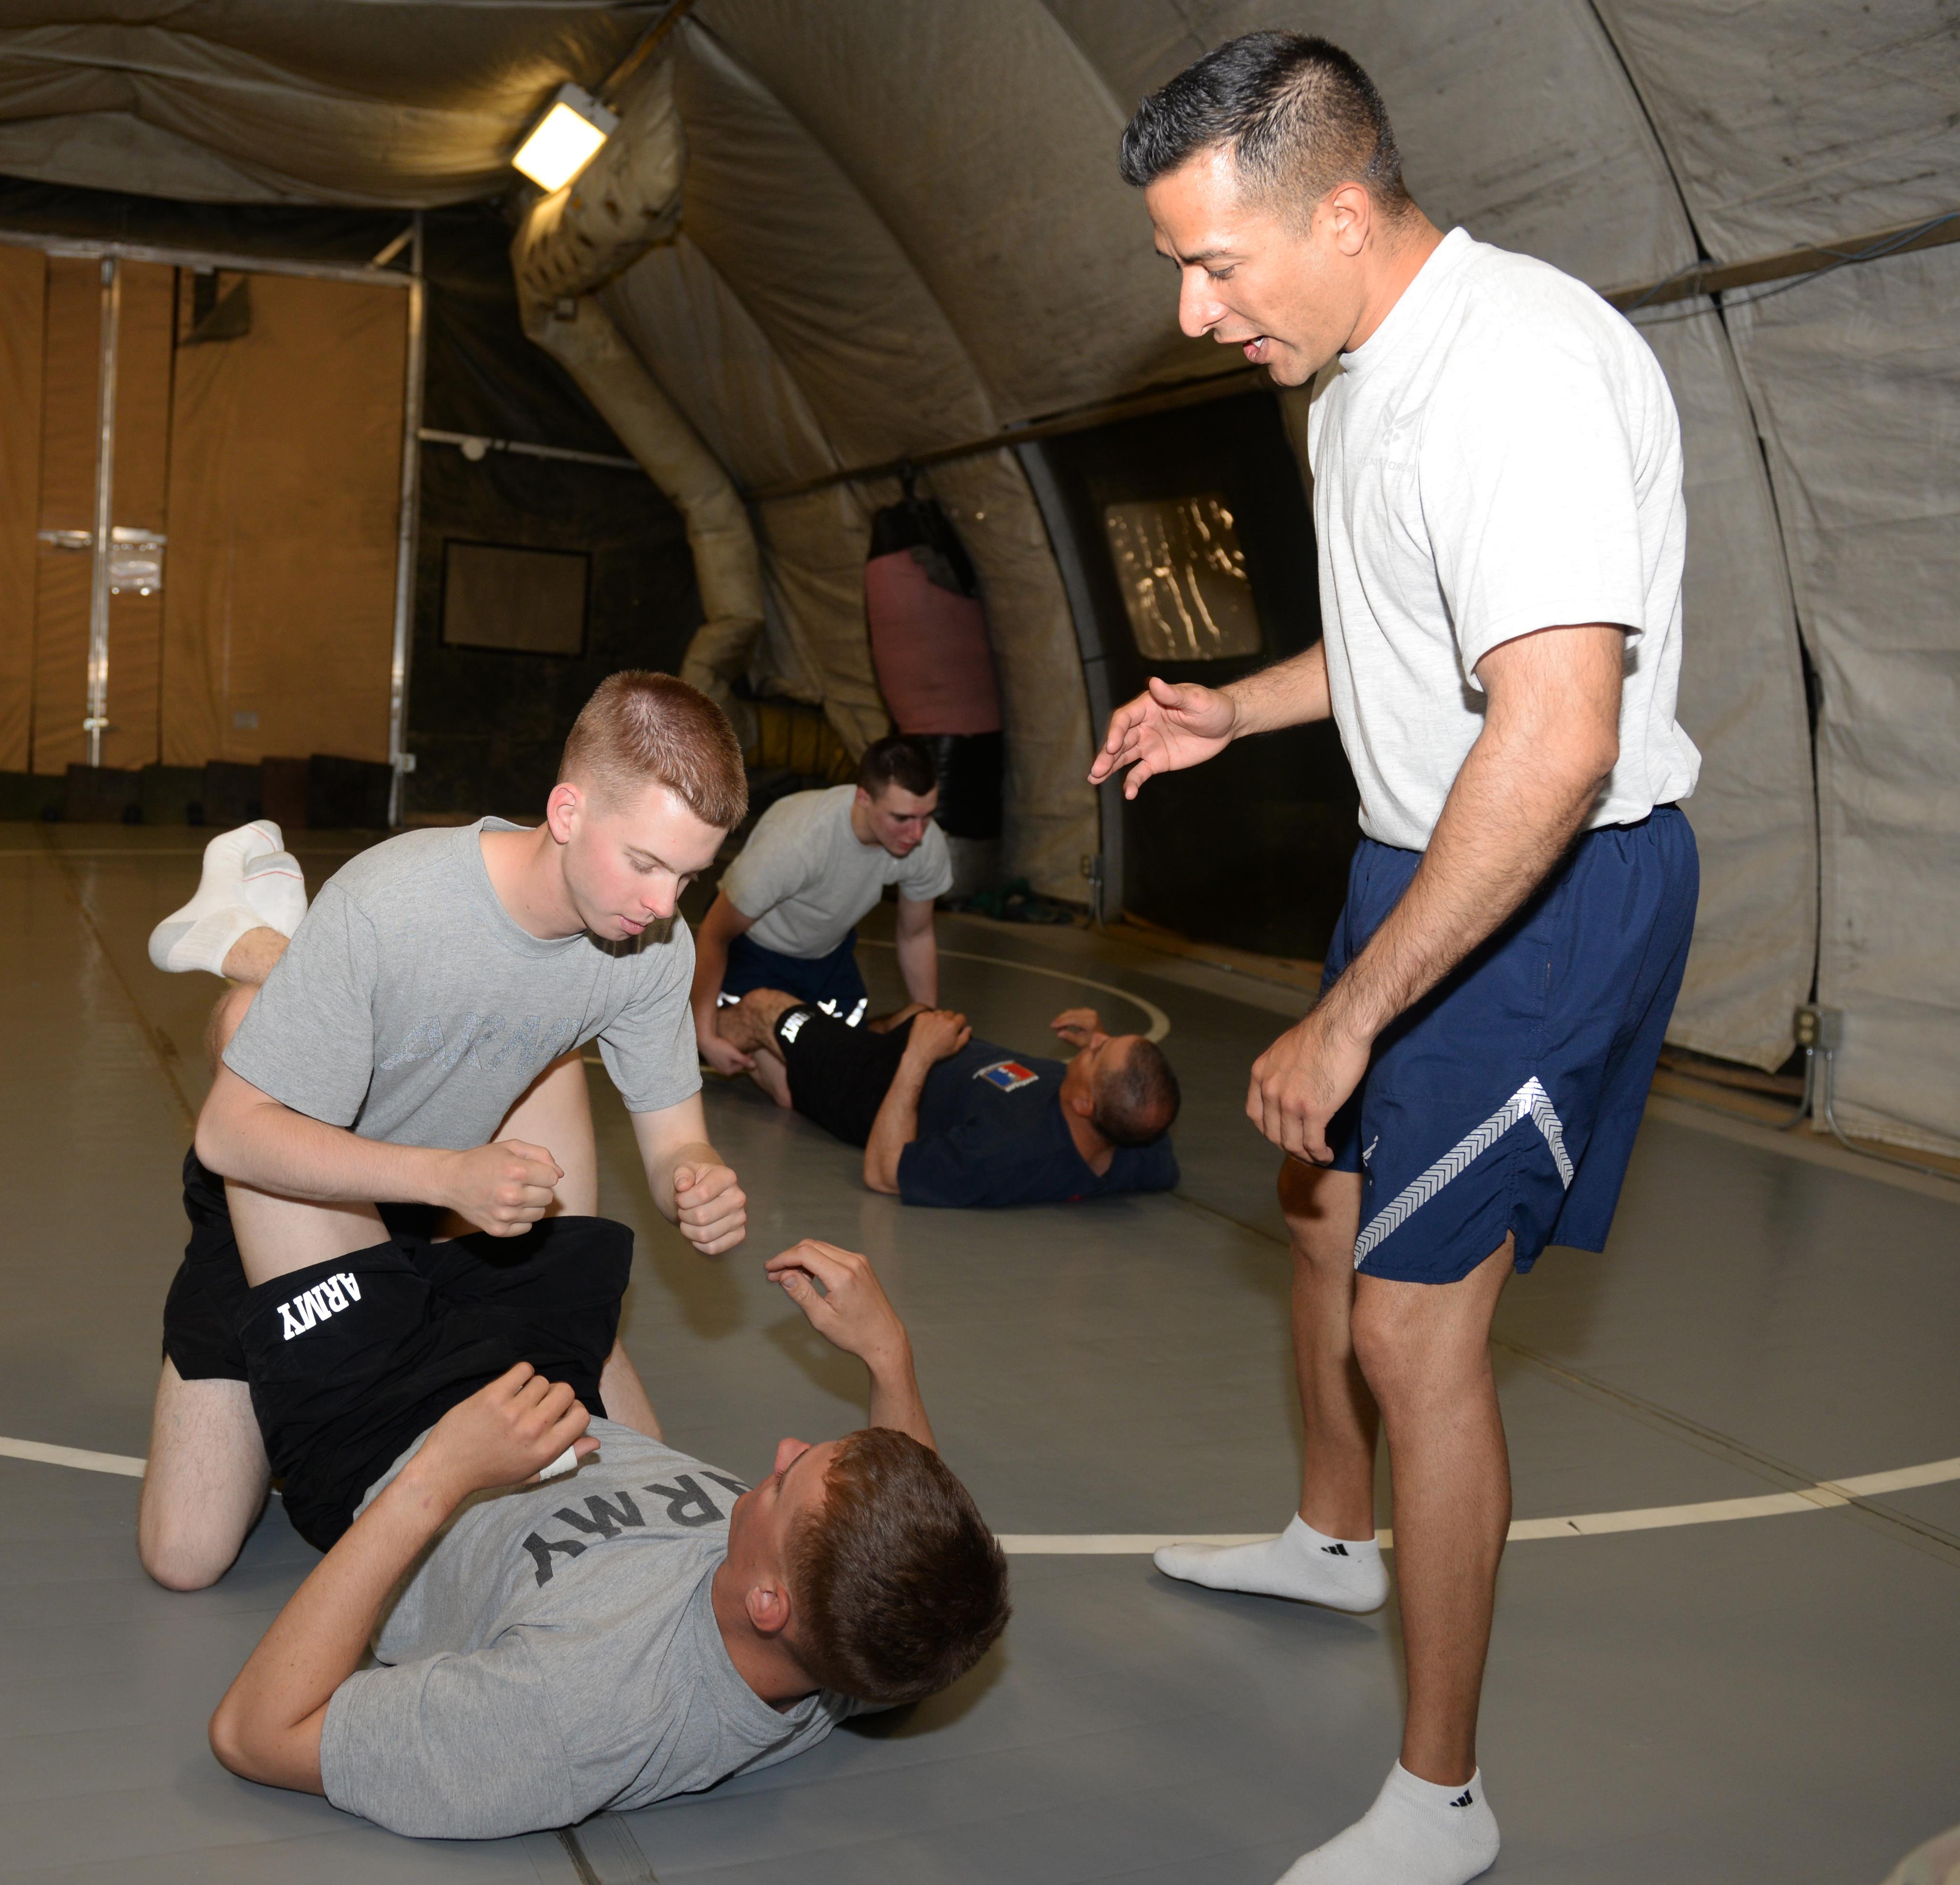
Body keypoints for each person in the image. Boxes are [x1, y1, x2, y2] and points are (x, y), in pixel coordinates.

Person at [1100, 33, 1701, 1885]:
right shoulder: (1353, 363)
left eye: (1221, 266)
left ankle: (1443, 1796)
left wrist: (1358, 1009)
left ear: (1344, 215)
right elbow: (1410, 648)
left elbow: (1557, 733)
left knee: (1411, 1319)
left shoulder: (1514, 374)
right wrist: (1237, 711)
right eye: (1180, 272)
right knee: (1315, 1212)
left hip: (1549, 891)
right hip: (1423, 853)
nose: (1201, 315)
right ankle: (1331, 1531)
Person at [137, 672, 758, 1592]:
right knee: (185, 1557)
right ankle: (251, 939)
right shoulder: (395, 902)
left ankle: (280, 964)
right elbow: (232, 1137)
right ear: (566, 809)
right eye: (644, 862)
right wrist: (449, 1177)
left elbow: (675, 1137)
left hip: (456, 1193)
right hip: (291, 1184)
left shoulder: (650, 949)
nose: (665, 905)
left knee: (641, 1486)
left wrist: (694, 1179)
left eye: (688, 875)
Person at [189, 1202, 1009, 1839]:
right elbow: (922, 1552)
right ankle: (408, 1234)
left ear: (770, 1603)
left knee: (269, 1094)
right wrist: (887, 1353)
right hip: (555, 1382)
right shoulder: (874, 1642)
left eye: (783, 1483)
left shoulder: (567, 1721)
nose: (785, 1449)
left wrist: (438, 1475)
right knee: (527, 1049)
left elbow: (255, 1734)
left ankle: (225, 1289)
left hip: (388, 1431)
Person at [714, 986, 1179, 1206]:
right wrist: (1096, 1049)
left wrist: (918, 1055)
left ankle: (673, 1042)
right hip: (927, 1044)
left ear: (1084, 1106)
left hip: (872, 1085)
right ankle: (791, 1079)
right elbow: (1138, 1101)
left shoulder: (1006, 1155)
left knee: (761, 1008)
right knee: (911, 1012)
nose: (1096, 1040)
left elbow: (883, 1173)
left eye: (1099, 1053)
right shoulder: (1137, 1141)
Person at [692, 735, 952, 1071]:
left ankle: (806, 1028)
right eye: (902, 818)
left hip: (827, 956)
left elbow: (916, 934)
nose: (917, 834)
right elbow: (714, 934)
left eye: (927, 815)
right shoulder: (797, 842)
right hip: (756, 953)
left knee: (844, 1069)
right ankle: (712, 1023)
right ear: (864, 797)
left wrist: (926, 1017)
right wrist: (703, 1037)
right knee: (795, 1090)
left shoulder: (923, 841)